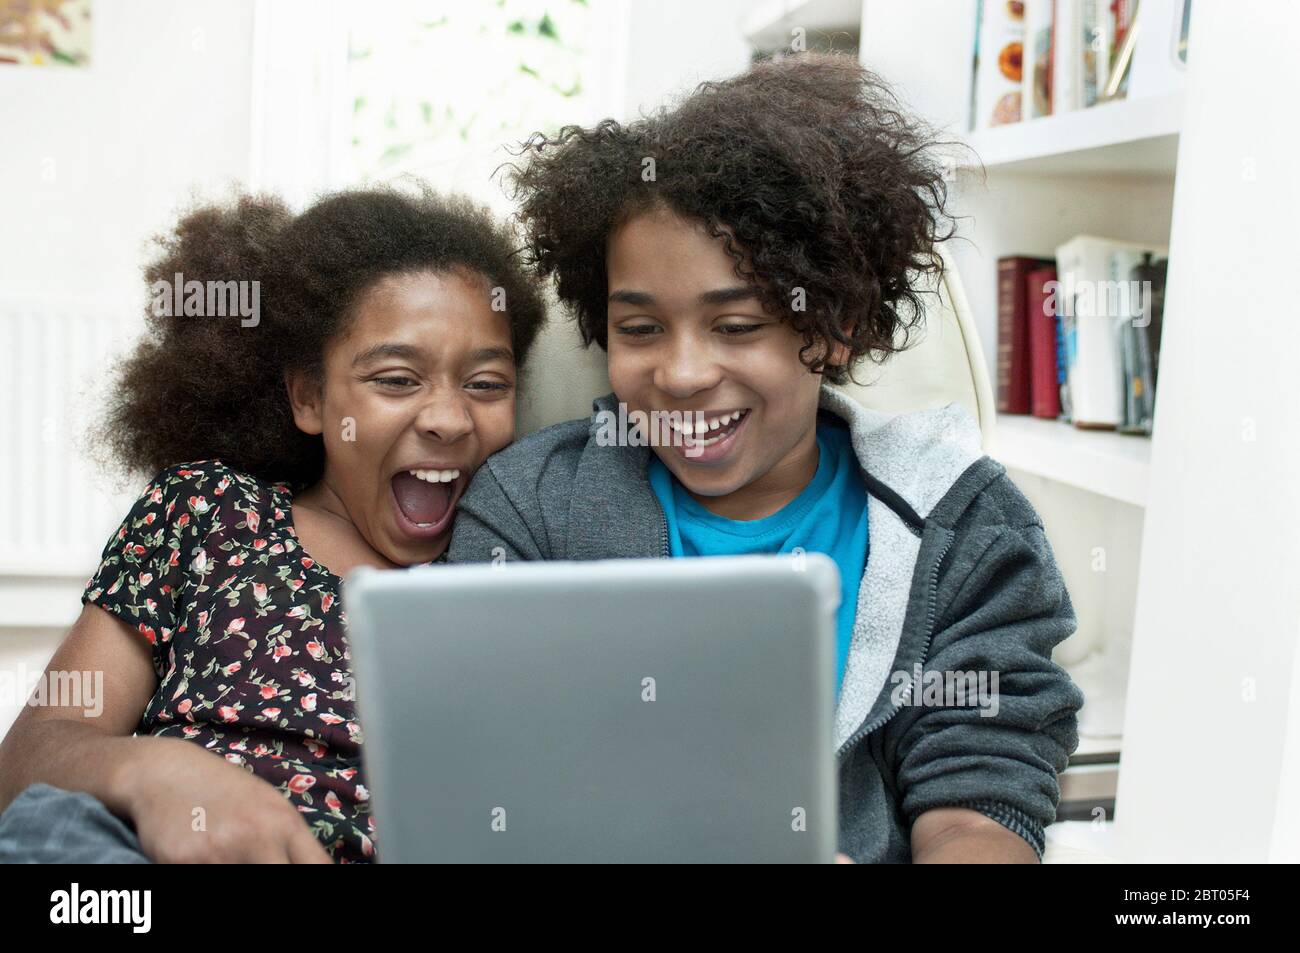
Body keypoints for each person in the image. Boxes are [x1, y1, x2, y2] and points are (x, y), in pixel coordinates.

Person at [448, 53, 1085, 863]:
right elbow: (481, 775)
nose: (680, 374)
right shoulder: (533, 504)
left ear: (832, 325)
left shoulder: (961, 528)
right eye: (640, 329)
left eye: (737, 325)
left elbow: (979, 807)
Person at [0, 187, 545, 863]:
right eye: (398, 378)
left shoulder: (518, 563)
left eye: (486, 384)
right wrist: (155, 772)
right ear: (310, 397)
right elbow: (30, 754)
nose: (448, 418)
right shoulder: (204, 511)